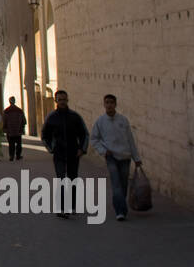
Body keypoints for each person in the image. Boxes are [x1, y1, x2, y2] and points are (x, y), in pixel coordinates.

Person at [91, 93, 142, 221]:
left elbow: (130, 140)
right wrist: (103, 151)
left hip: (125, 156)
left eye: (111, 102)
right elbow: (94, 139)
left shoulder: (123, 120)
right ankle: (120, 211)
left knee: (124, 184)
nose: (109, 105)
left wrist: (136, 158)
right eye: (107, 102)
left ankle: (121, 205)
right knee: (116, 184)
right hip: (111, 156)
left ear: (115, 104)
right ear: (104, 105)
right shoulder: (100, 122)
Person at [40, 89, 89, 217]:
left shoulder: (75, 117)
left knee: (72, 179)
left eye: (64, 99)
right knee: (61, 179)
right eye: (60, 99)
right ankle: (62, 208)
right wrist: (51, 148)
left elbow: (84, 133)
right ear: (56, 101)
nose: (62, 102)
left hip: (73, 153)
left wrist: (82, 149)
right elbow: (45, 135)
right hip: (59, 154)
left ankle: (72, 206)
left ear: (67, 100)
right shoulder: (51, 118)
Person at [2, 96, 26, 161]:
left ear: (9, 102)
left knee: (11, 144)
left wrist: (4, 128)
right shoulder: (19, 110)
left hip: (10, 131)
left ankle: (11, 156)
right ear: (14, 101)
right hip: (18, 130)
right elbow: (24, 121)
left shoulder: (6, 111)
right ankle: (18, 156)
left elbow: (4, 121)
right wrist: (22, 126)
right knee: (18, 144)